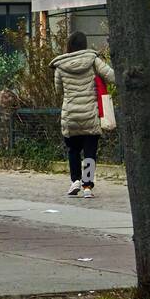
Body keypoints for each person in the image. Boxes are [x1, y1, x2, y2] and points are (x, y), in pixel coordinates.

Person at [50, 31, 115, 198]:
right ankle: (87, 186)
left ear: (69, 46)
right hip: (90, 115)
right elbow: (111, 76)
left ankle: (75, 181)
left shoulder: (60, 66)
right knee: (89, 153)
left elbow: (58, 90)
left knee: (73, 150)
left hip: (70, 114)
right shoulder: (93, 61)